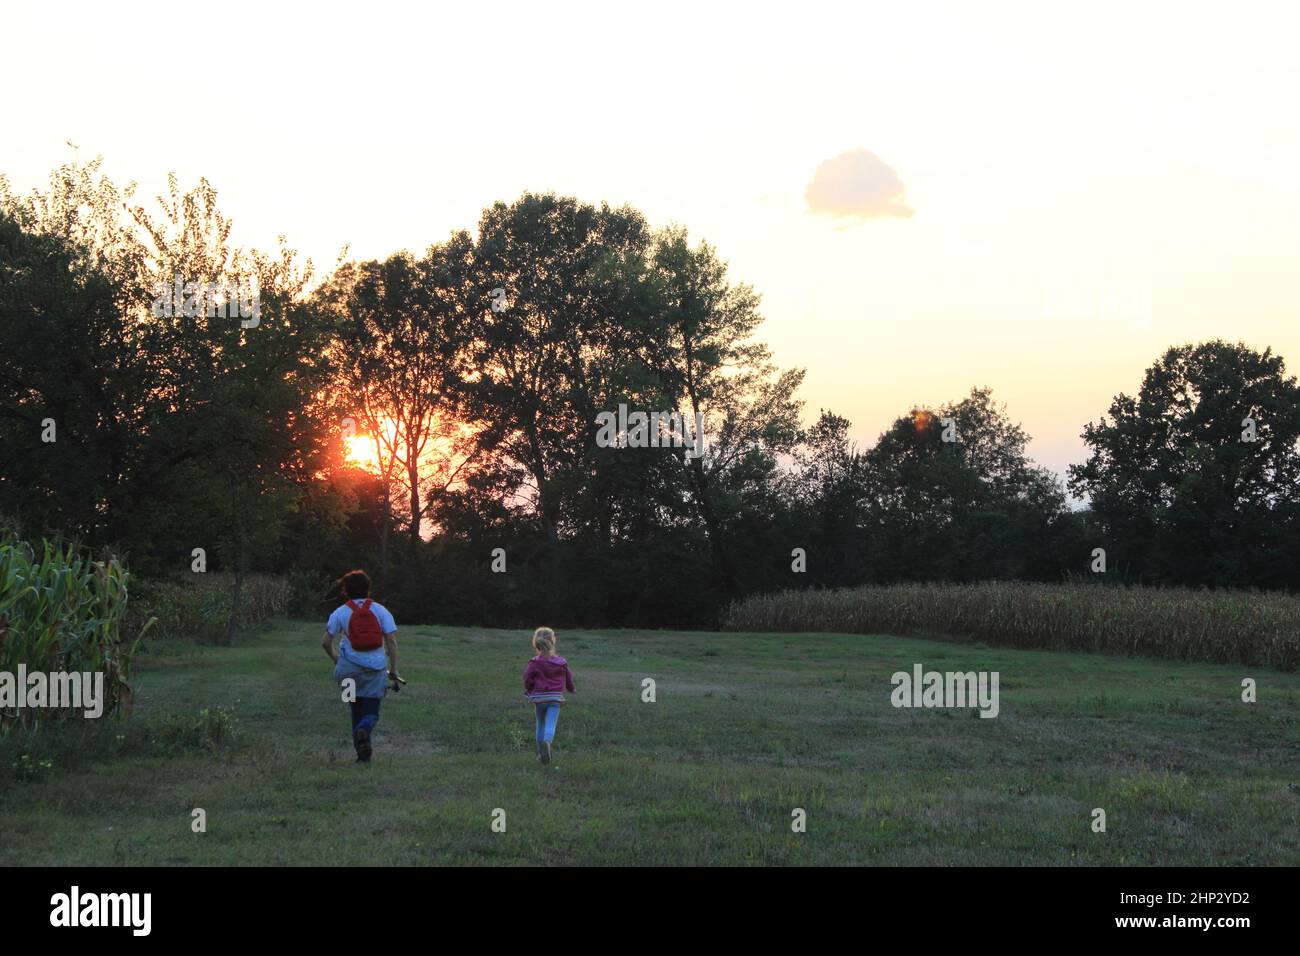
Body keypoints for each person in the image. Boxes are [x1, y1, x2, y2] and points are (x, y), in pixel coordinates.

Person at [321, 570, 400, 763]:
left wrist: (337, 660)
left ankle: (361, 756)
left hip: (347, 672)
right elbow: (390, 640)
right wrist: (394, 669)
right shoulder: (381, 611)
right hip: (375, 671)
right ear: (368, 589)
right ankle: (364, 728)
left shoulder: (339, 612)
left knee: (353, 707)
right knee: (371, 712)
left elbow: (325, 642)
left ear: (345, 591)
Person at [522, 626, 575, 766]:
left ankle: (541, 753)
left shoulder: (534, 662)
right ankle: (547, 742)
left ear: (536, 642)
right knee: (551, 724)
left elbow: (527, 678)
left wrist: (529, 689)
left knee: (540, 724)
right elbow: (568, 678)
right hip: (555, 699)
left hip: (539, 698)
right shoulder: (561, 662)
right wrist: (571, 689)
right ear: (552, 641)